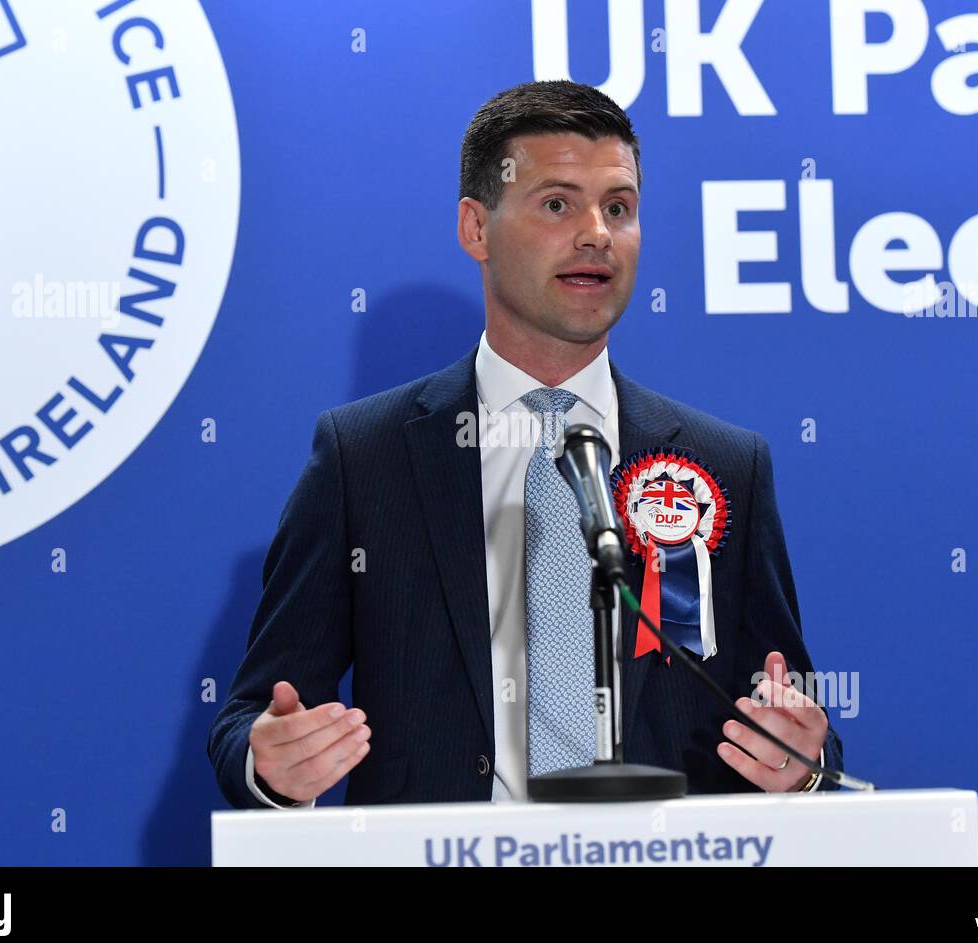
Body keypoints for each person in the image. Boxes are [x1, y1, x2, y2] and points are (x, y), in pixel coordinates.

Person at [208, 80, 843, 809]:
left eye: (619, 208)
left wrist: (802, 760)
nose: (597, 234)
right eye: (557, 204)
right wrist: (275, 764)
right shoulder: (365, 459)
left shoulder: (726, 466)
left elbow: (789, 718)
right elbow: (246, 720)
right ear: (476, 229)